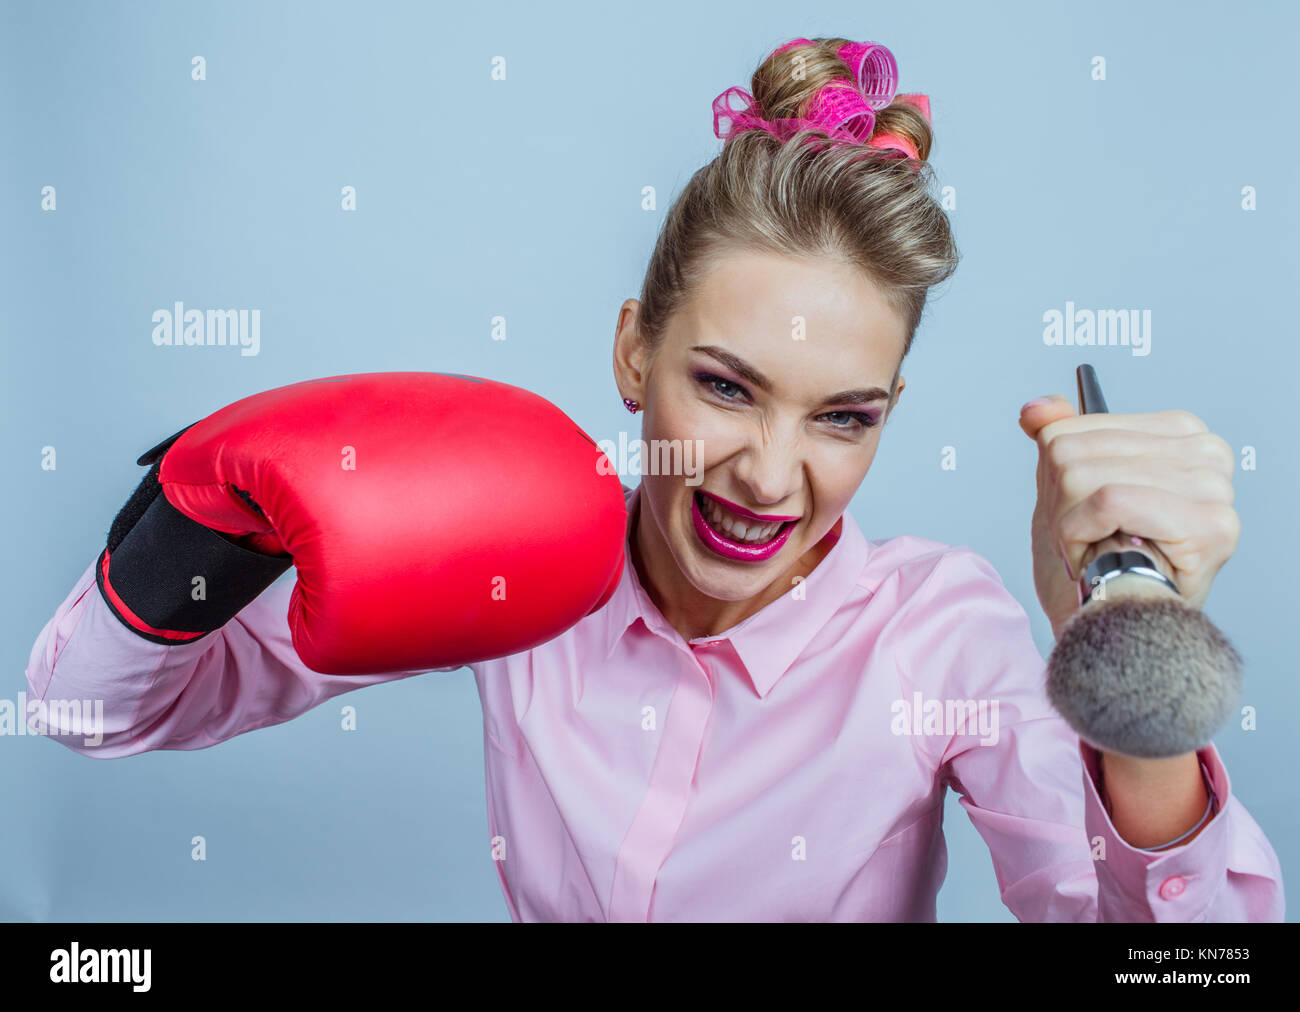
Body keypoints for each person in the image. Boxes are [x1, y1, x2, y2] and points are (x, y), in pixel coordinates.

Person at [26, 35, 1283, 922]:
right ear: (634, 352)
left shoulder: (936, 633)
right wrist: (194, 524)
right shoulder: (518, 563)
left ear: (888, 416)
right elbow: (94, 715)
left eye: (842, 417)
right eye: (725, 387)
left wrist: (1134, 680)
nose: (769, 476)